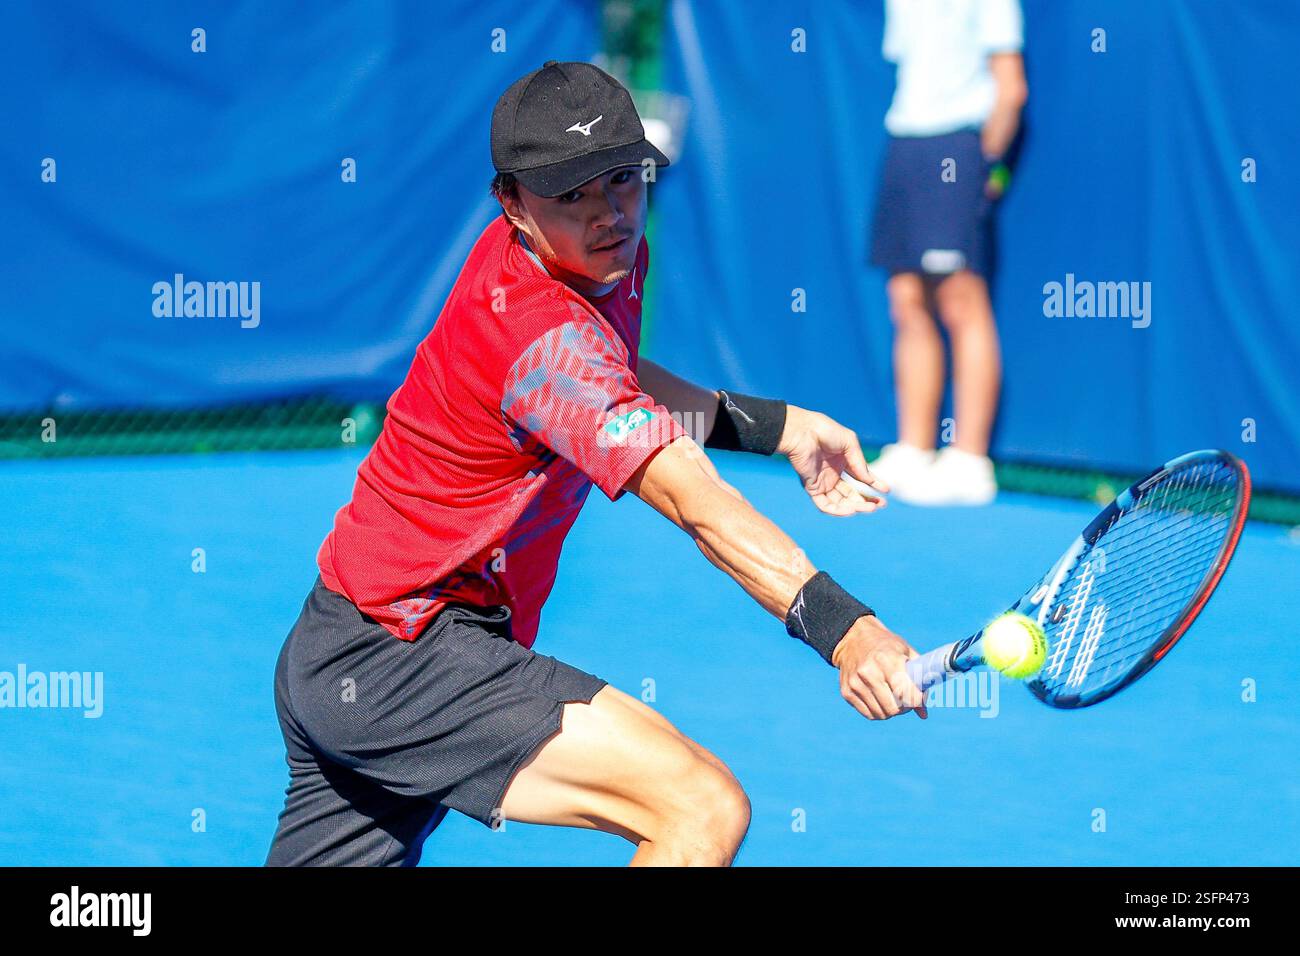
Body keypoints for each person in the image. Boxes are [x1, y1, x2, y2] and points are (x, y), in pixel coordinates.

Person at [267, 61, 925, 868]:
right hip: (403, 655)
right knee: (699, 807)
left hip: (345, 642)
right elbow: (694, 502)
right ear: (511, 203)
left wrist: (774, 427)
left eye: (621, 178)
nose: (607, 212)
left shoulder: (589, 263)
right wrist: (845, 630)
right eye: (569, 195)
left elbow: (613, 375)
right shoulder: (539, 336)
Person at [868, 0, 1027, 505]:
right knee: (906, 299)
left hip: (956, 146)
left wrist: (987, 166)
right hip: (905, 143)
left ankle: (969, 460)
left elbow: (1011, 88)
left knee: (961, 301)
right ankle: (914, 449)